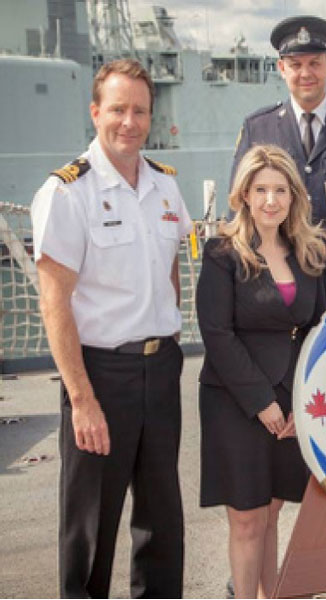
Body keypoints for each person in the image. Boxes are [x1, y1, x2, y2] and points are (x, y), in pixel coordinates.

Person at [31, 58, 190, 598]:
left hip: (160, 368)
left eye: (140, 110)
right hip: (101, 373)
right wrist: (81, 398)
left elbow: (167, 271)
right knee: (91, 527)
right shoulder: (68, 192)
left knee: (161, 521)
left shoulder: (166, 187)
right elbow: (54, 301)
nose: (130, 121)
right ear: (96, 111)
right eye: (118, 109)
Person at [196, 144, 326, 599]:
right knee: (248, 518)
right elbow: (217, 334)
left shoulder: (308, 253)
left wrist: (298, 403)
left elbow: (316, 331)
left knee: (272, 512)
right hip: (235, 400)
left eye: (280, 190)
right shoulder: (221, 254)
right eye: (261, 190)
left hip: (289, 401)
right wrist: (262, 402)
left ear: (294, 197)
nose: (271, 200)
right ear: (244, 195)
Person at [230, 15, 326, 305]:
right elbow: (237, 210)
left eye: (314, 63)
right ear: (281, 69)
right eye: (295, 65)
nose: (306, 73)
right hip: (276, 279)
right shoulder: (258, 128)